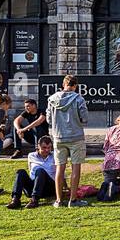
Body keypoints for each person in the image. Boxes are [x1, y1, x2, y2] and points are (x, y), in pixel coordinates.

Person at [46, 74, 90, 207]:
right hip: (76, 136)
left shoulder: (52, 99)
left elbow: (48, 119)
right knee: (75, 168)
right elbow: (84, 118)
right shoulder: (78, 99)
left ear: (63, 84)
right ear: (75, 86)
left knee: (60, 168)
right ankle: (73, 199)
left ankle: (59, 200)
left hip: (58, 137)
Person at [7, 135, 57, 209]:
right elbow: (30, 171)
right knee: (21, 172)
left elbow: (60, 173)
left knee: (40, 171)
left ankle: (34, 200)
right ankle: (15, 199)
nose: (47, 150)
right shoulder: (31, 155)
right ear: (38, 147)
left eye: (49, 148)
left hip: (48, 187)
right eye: (44, 148)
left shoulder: (54, 156)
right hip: (34, 185)